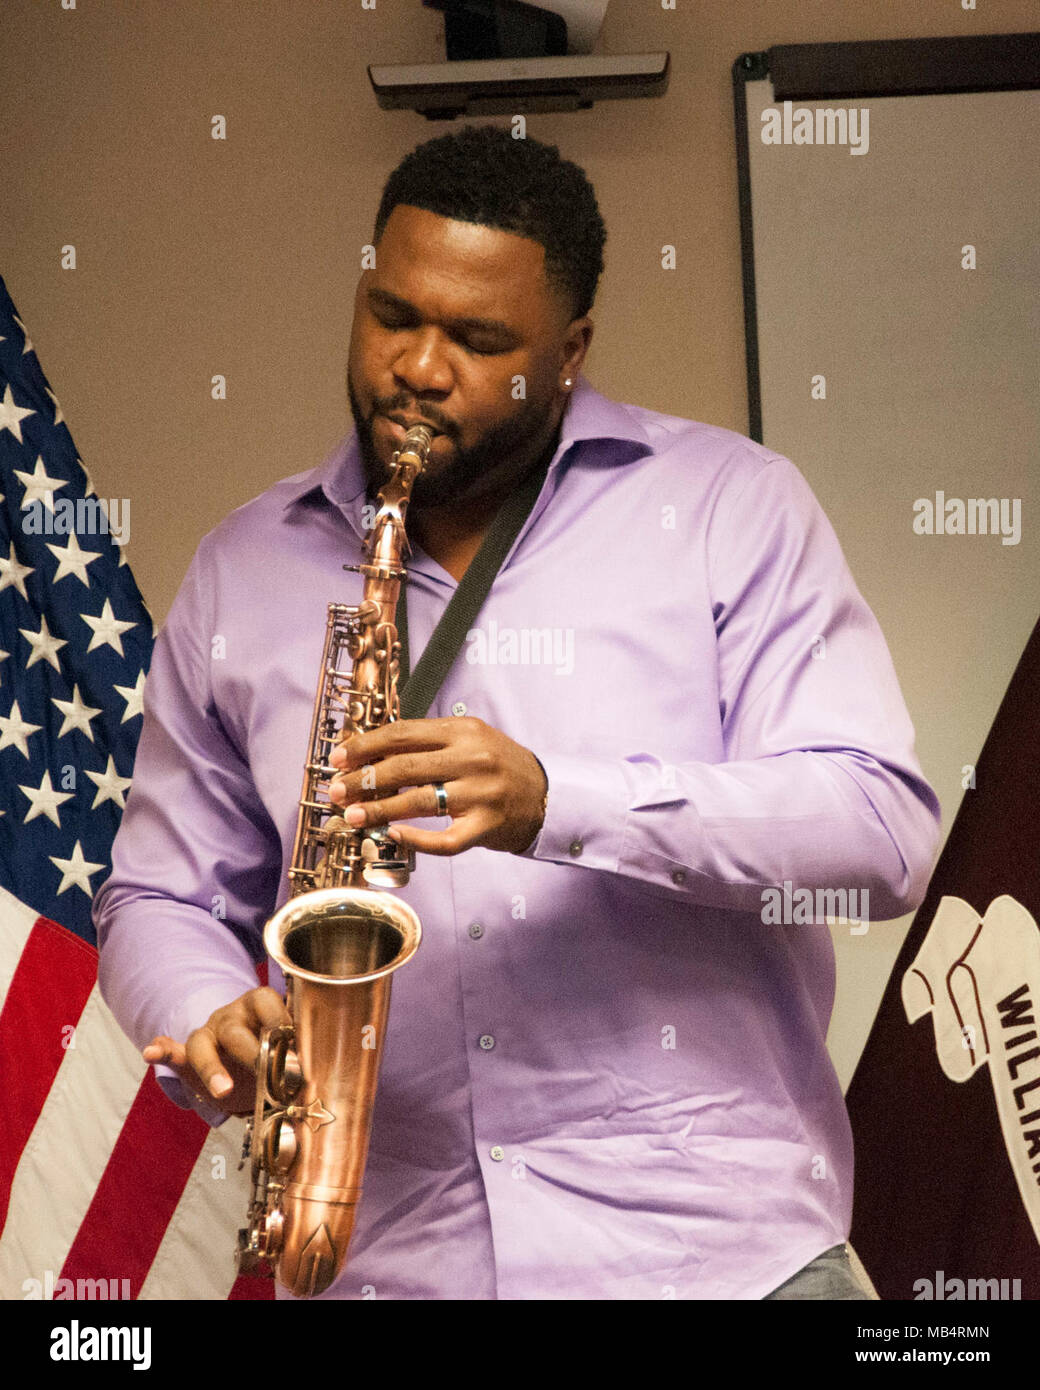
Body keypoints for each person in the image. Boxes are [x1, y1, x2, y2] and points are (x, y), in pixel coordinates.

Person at [93, 124, 941, 1301]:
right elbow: (159, 893)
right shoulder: (241, 569)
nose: (420, 369)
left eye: (481, 341)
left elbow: (878, 835)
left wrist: (557, 799)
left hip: (718, 1259)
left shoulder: (725, 508)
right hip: (393, 1263)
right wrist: (201, 1011)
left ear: (572, 349)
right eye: (394, 315)